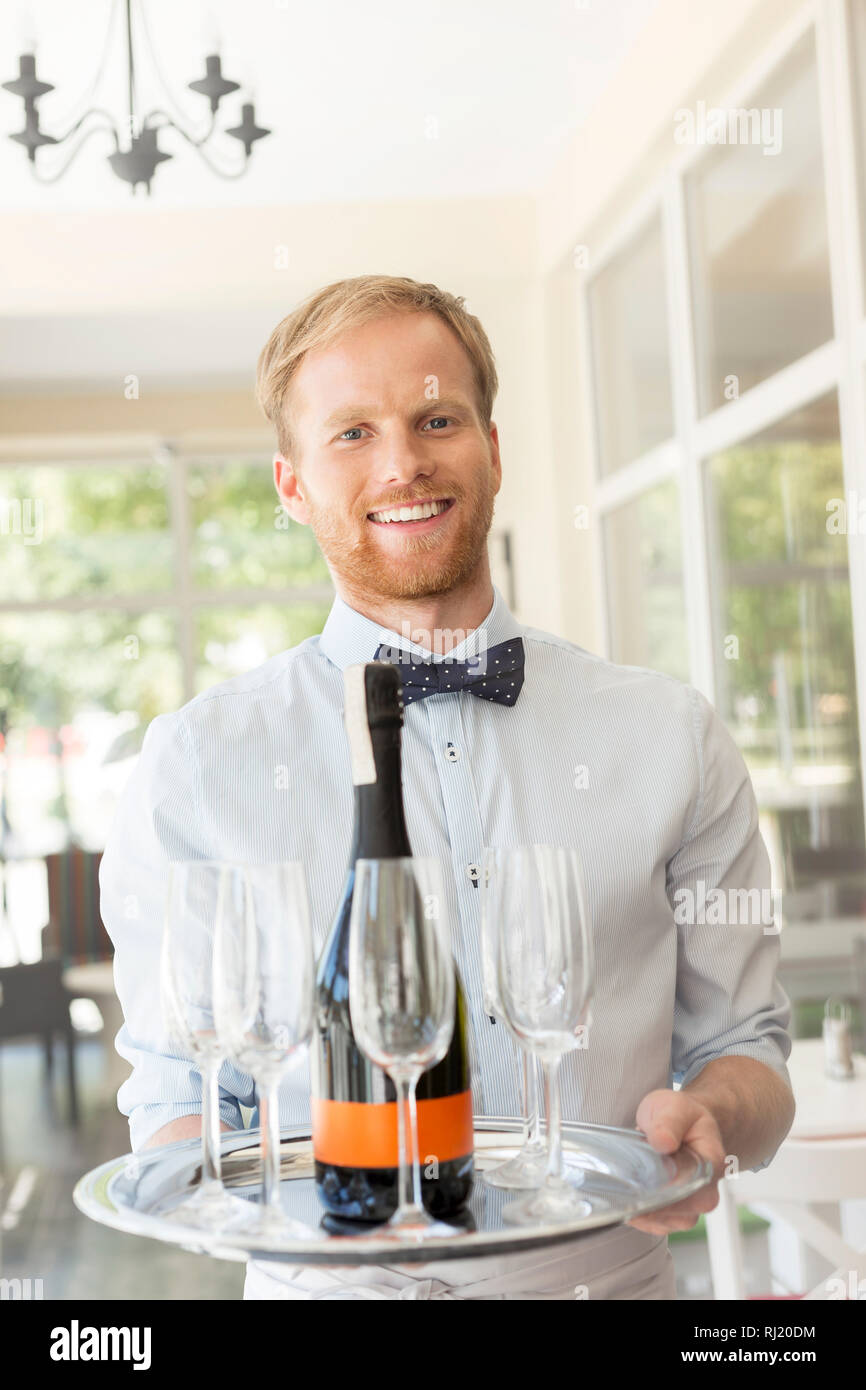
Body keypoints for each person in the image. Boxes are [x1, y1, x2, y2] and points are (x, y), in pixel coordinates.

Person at [99, 274, 795, 1300]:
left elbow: (750, 1056)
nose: (403, 462)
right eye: (351, 433)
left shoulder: (670, 735)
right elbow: (175, 1093)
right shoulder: (195, 765)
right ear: (290, 486)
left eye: (436, 418)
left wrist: (716, 1116)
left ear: (493, 448)